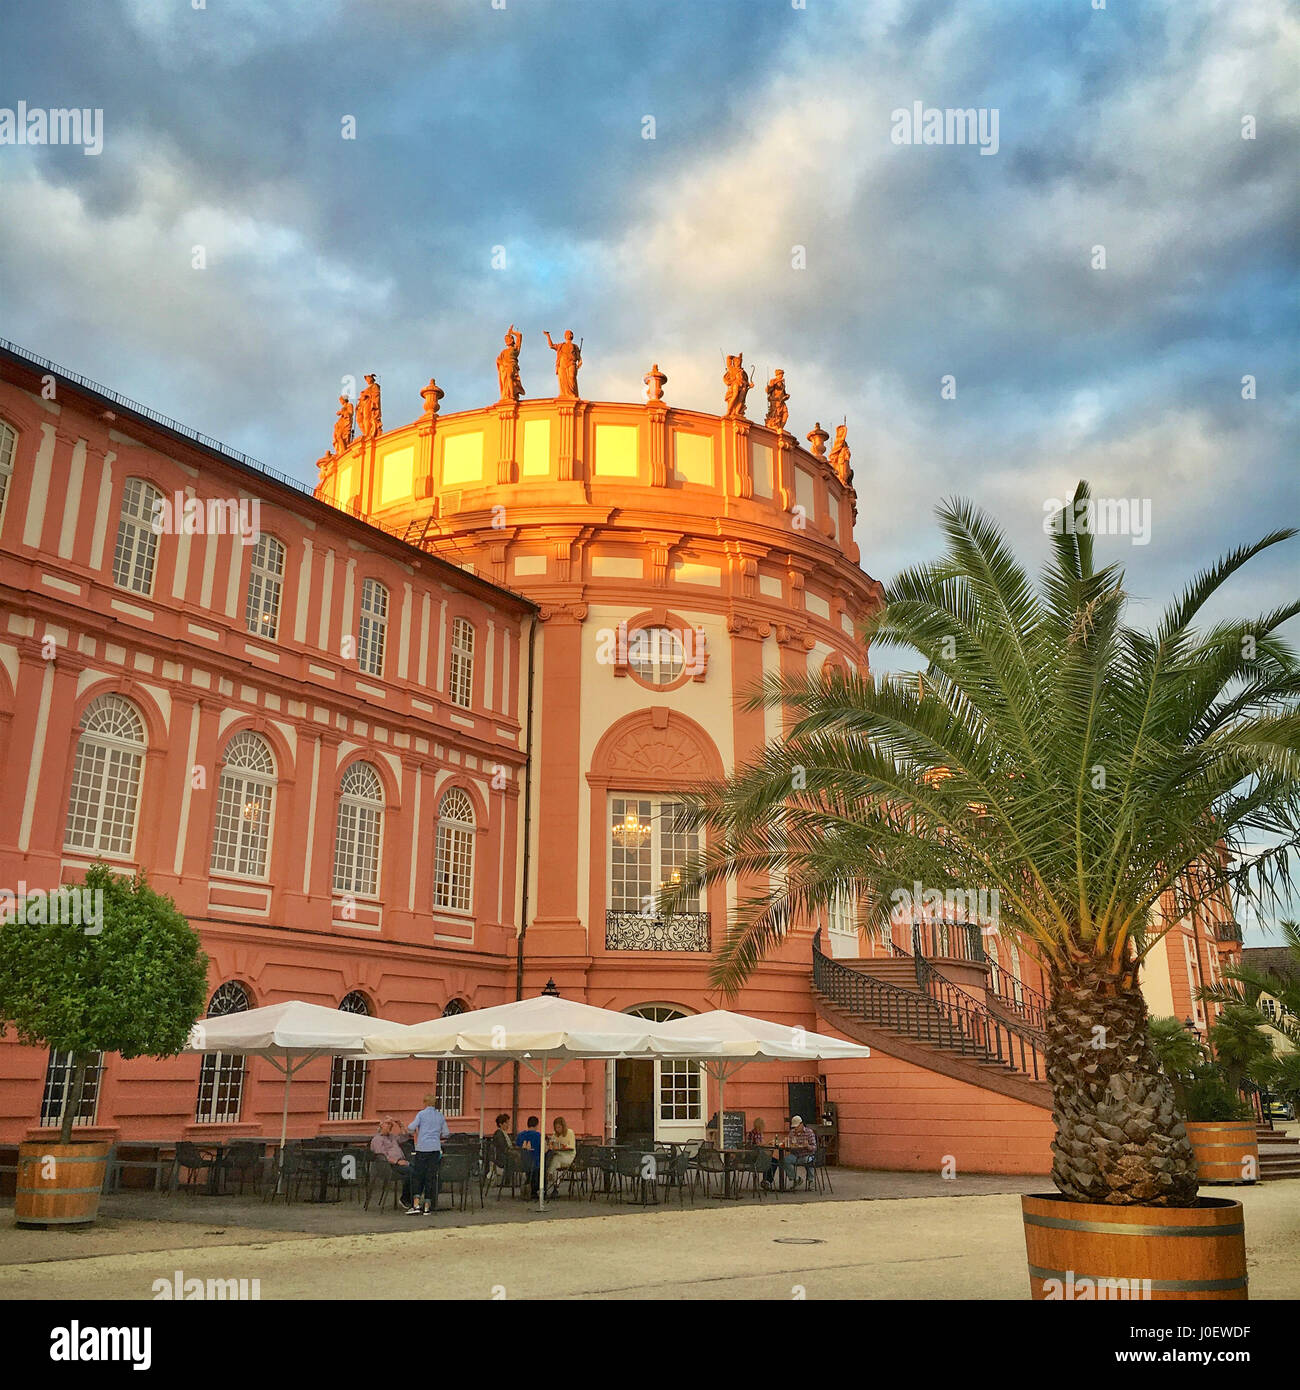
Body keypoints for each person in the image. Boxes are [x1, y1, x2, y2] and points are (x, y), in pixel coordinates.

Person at [406, 1093, 451, 1215]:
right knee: (430, 1177)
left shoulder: (421, 1114)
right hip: (435, 1149)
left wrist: (419, 1132)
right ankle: (427, 1206)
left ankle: (416, 1204)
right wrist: (437, 1135)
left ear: (425, 1103)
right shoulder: (440, 1116)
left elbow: (411, 1127)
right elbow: (446, 1133)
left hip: (422, 1149)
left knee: (418, 1175)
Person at [370, 1116, 413, 1210]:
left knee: (419, 1170)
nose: (390, 1126)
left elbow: (405, 1137)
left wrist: (400, 1125)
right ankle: (405, 1199)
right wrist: (397, 1162)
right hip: (389, 1166)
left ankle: (414, 1198)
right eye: (388, 1124)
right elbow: (381, 1156)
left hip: (400, 1162)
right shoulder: (377, 1139)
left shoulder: (392, 1137)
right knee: (411, 1172)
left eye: (391, 1125)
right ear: (381, 1125)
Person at [782, 1115, 818, 1189]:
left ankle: (811, 1181)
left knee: (808, 1160)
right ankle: (796, 1178)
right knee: (785, 1160)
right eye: (794, 1127)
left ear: (801, 1125)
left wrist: (807, 1146)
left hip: (807, 1154)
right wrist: (787, 1145)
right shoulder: (792, 1133)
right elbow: (789, 1146)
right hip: (796, 1155)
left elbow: (814, 1148)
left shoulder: (809, 1132)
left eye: (796, 1127)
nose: (795, 1129)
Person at [544, 1116, 577, 1197]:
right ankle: (555, 1187)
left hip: (569, 1156)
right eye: (556, 1127)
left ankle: (548, 1175)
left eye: (559, 1127)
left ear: (563, 1126)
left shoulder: (570, 1133)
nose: (557, 1129)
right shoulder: (555, 1135)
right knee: (555, 1164)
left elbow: (571, 1147)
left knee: (555, 1160)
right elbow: (551, 1144)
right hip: (558, 1156)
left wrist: (561, 1147)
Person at [516, 1115, 542, 1198]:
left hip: (521, 1163)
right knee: (543, 1165)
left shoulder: (520, 1135)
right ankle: (537, 1189)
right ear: (537, 1125)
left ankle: (527, 1186)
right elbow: (542, 1149)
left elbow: (517, 1147)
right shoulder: (538, 1136)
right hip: (535, 1163)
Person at [489, 1112, 513, 1180]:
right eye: (506, 1123)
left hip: (504, 1156)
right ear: (500, 1124)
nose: (508, 1125)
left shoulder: (503, 1133)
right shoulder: (499, 1134)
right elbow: (503, 1147)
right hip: (501, 1158)